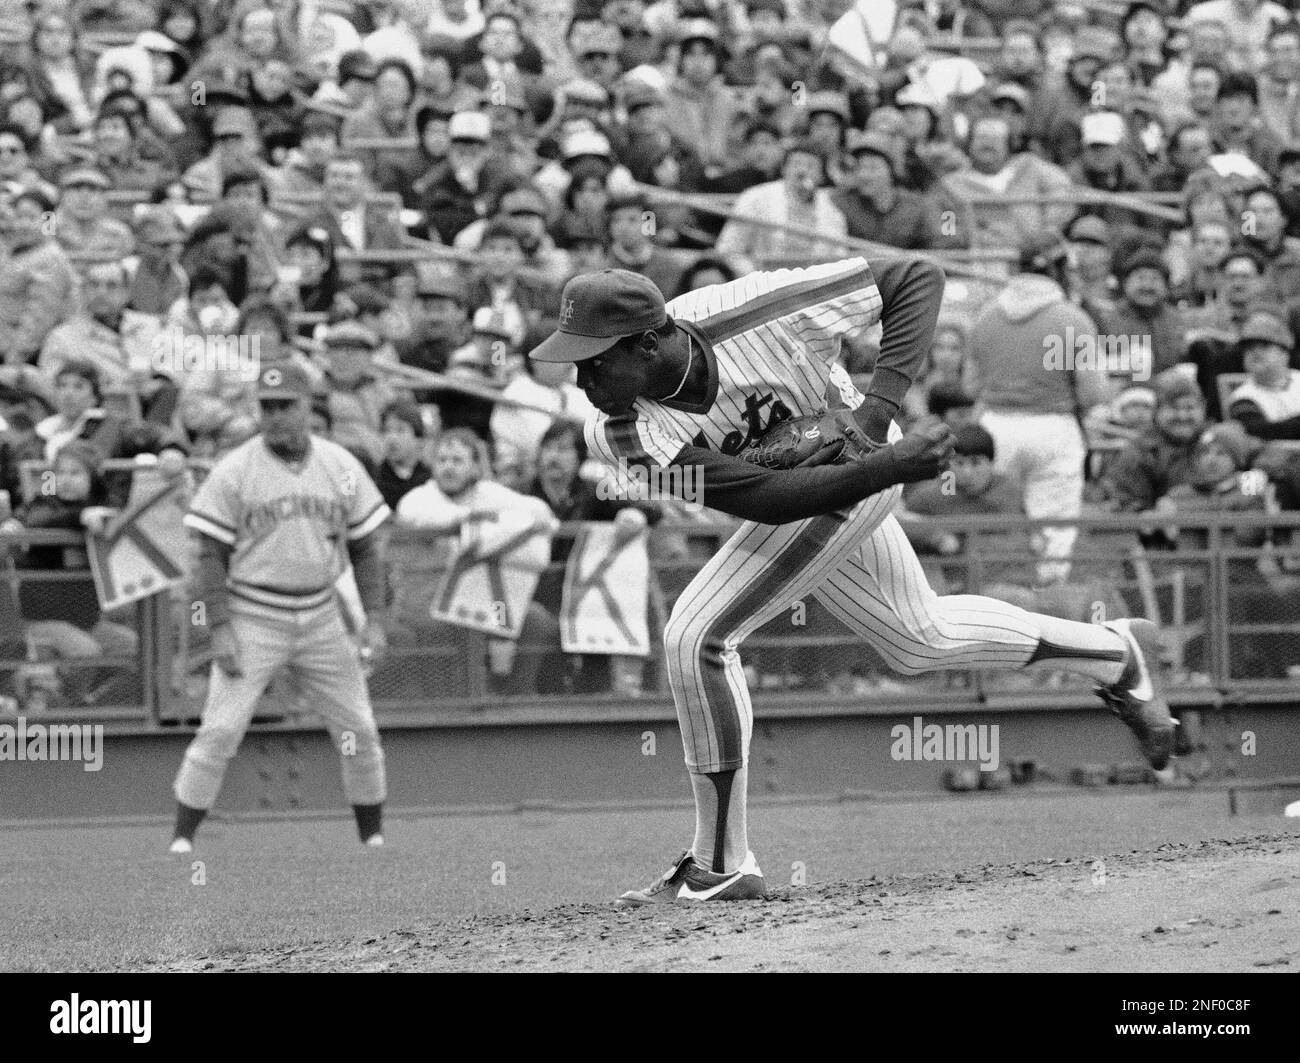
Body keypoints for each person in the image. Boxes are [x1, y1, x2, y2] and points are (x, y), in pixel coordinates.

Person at [530, 262, 1176, 906]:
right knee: (920, 639)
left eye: (594, 362)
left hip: (861, 448)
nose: (581, 380)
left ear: (647, 342)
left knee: (696, 635)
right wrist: (887, 465)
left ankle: (721, 861)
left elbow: (914, 278)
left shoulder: (753, 308)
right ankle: (1118, 653)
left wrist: (878, 412)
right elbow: (769, 497)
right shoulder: (618, 429)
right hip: (835, 483)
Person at [169, 362, 391, 854]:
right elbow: (210, 556)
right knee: (221, 729)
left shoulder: (341, 466)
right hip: (253, 612)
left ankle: (372, 836)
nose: (275, 417)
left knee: (357, 730)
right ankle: (182, 838)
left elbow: (366, 549)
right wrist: (220, 627)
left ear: (309, 406)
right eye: (267, 407)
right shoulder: (235, 470)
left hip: (321, 613)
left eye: (285, 405)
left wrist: (373, 619)